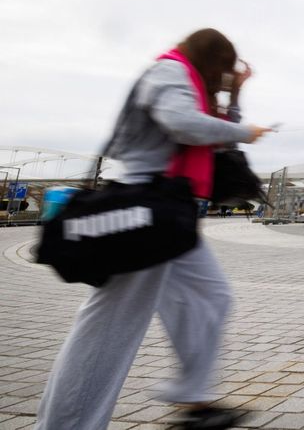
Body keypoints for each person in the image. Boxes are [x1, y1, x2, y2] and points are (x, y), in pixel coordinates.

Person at [37, 29, 271, 430]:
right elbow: (185, 125)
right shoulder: (169, 73)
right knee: (110, 327)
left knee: (210, 298)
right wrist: (242, 131)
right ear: (211, 61)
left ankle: (194, 402)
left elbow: (208, 130)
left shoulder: (186, 81)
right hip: (143, 214)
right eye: (222, 72)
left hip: (169, 215)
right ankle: (67, 424)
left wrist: (235, 96)